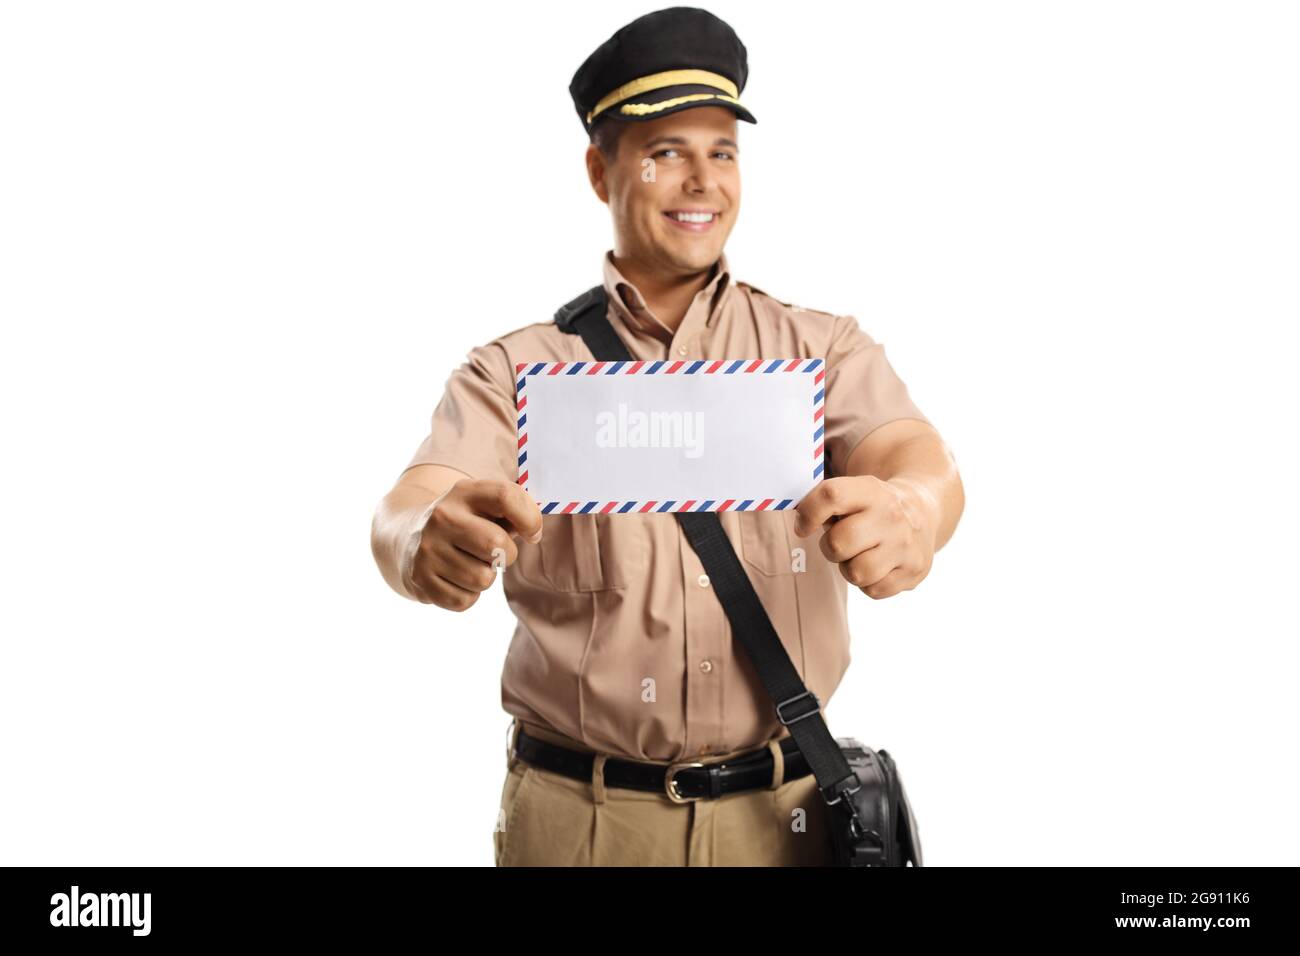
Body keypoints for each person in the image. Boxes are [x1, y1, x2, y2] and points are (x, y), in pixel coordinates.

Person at [370, 6, 964, 866]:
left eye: (722, 151)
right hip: (581, 826)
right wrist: (422, 540)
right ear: (598, 170)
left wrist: (914, 509)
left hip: (787, 820)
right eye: (664, 154)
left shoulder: (822, 348)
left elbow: (921, 460)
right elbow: (406, 505)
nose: (703, 182)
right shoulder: (515, 371)